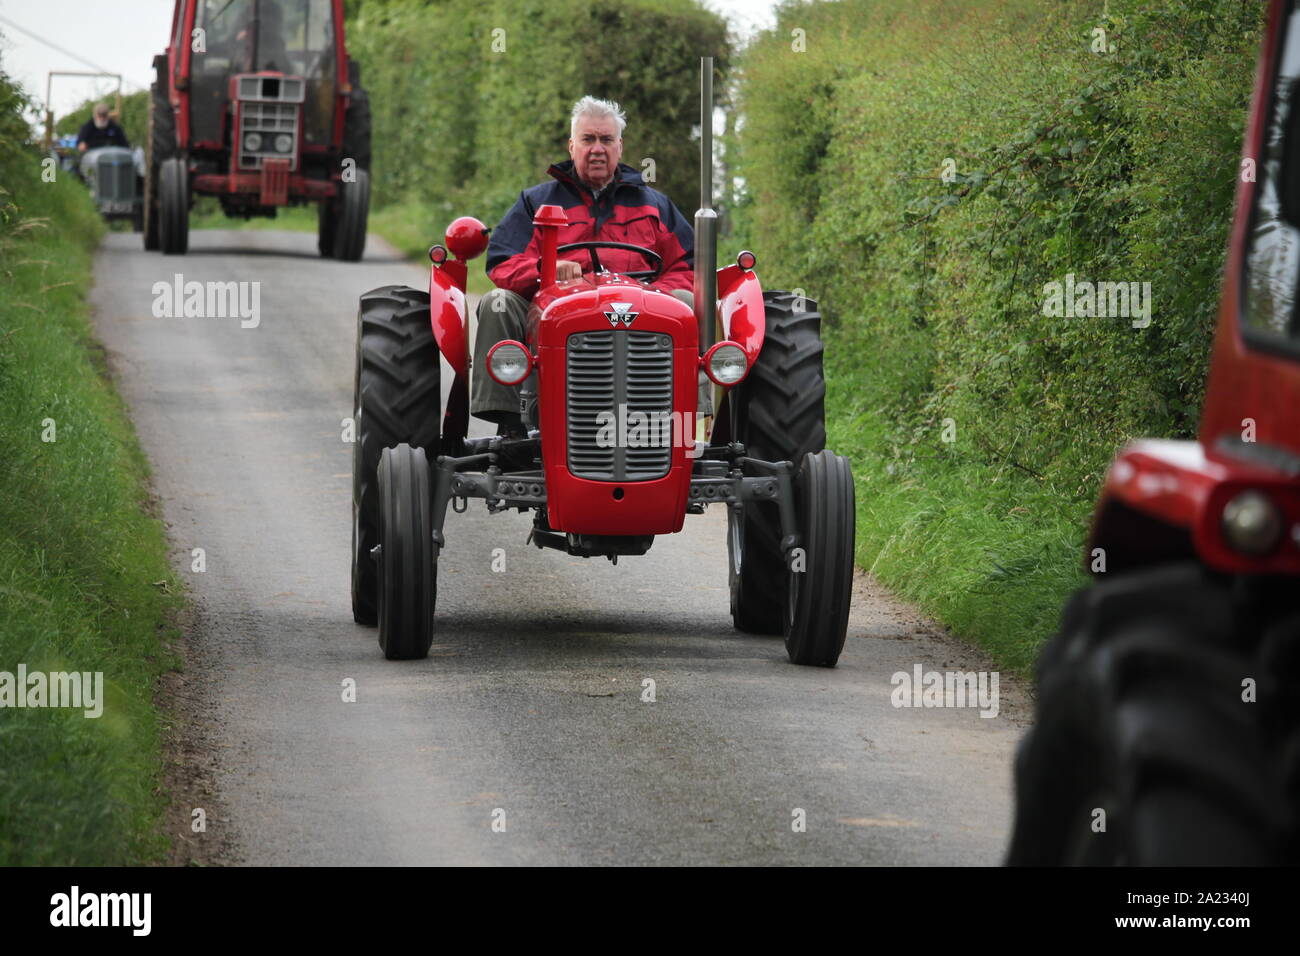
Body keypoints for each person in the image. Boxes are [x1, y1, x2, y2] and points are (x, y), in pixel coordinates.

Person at [473, 95, 698, 434]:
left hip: (641, 311)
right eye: (588, 139)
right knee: (497, 303)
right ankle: (509, 426)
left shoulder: (654, 205)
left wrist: (653, 292)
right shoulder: (536, 202)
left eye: (606, 140)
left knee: (690, 302)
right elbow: (502, 262)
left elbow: (688, 266)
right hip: (555, 309)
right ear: (571, 146)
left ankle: (691, 419)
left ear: (619, 147)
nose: (597, 149)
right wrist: (545, 270)